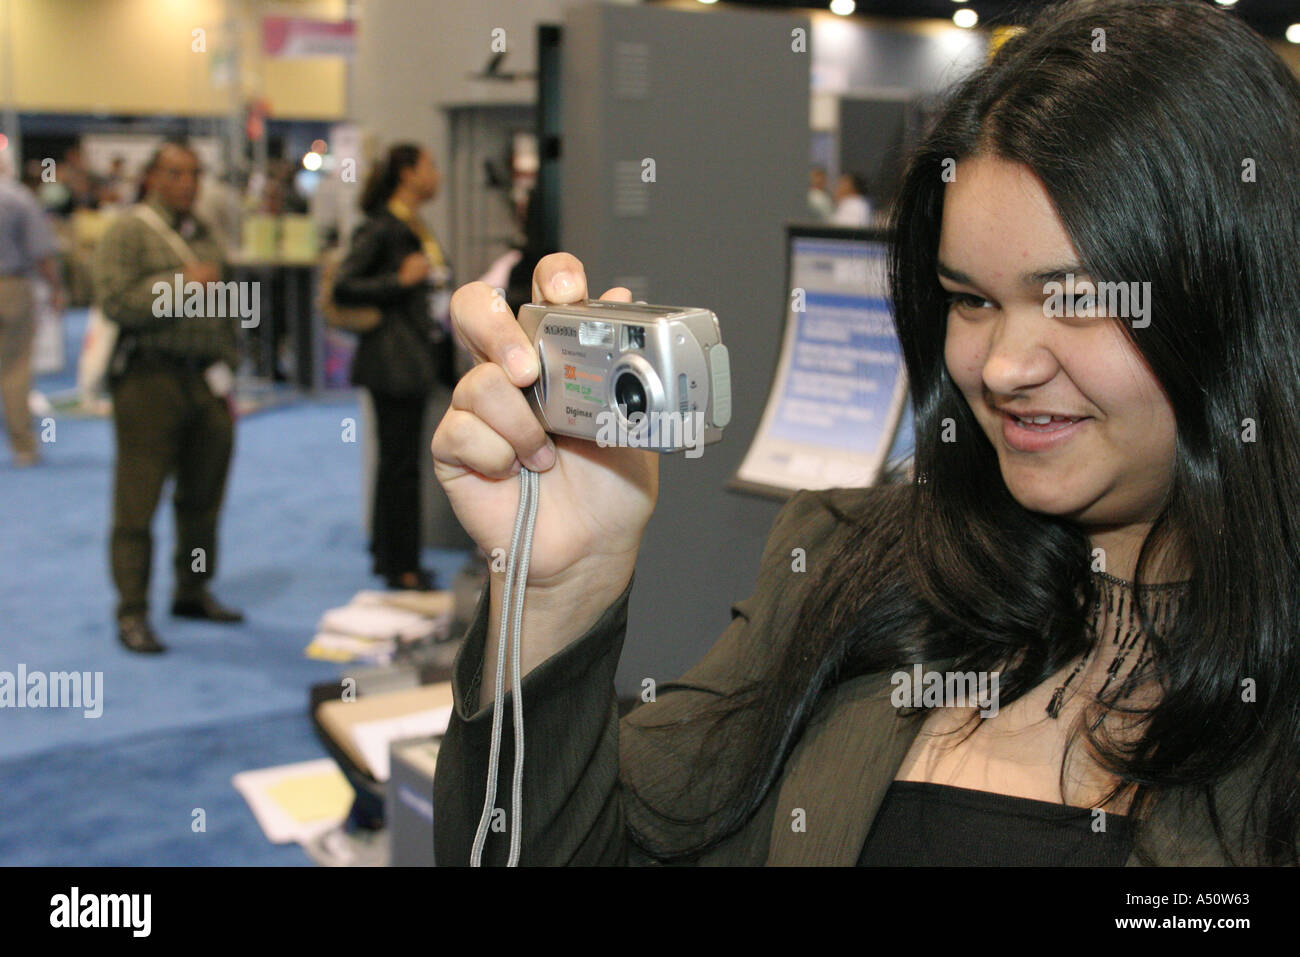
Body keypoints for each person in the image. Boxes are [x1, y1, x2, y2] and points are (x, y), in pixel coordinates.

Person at [426, 0, 1300, 866]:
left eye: (1073, 299)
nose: (1001, 367)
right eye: (971, 300)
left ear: (1235, 299)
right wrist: (556, 595)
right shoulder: (852, 569)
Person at [93, 140, 244, 655]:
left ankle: (192, 589)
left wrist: (230, 363)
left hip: (205, 380)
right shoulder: (130, 231)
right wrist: (180, 284)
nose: (187, 183)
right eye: (176, 173)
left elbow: (226, 302)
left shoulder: (202, 230)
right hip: (149, 382)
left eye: (195, 173)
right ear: (153, 176)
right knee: (137, 503)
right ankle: (132, 611)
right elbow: (115, 302)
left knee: (203, 499)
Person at [334, 143, 454, 592]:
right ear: (407, 173)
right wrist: (398, 281)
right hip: (393, 364)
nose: (437, 175)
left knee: (399, 465)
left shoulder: (412, 225)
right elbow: (345, 285)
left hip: (413, 362)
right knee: (399, 467)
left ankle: (391, 556)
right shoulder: (384, 227)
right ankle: (400, 565)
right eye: (431, 165)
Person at [0, 160, 63, 466]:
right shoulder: (20, 198)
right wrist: (56, 288)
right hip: (11, 286)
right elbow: (42, 252)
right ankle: (23, 447)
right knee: (15, 368)